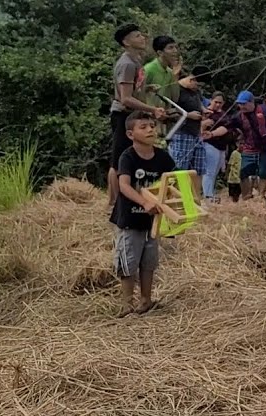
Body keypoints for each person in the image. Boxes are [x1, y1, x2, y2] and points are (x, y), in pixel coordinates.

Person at [109, 111, 174, 317]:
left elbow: (172, 182)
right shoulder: (127, 157)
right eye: (143, 127)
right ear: (130, 134)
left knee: (149, 261)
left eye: (152, 126)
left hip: (152, 220)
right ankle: (127, 303)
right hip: (130, 219)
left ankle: (146, 300)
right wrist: (144, 201)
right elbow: (124, 185)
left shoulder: (163, 157)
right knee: (129, 260)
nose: (150, 130)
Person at [108, 24, 165, 214]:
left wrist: (147, 89)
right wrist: (152, 109)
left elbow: (133, 89)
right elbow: (125, 98)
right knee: (118, 161)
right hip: (123, 115)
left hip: (131, 114)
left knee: (128, 156)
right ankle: (114, 204)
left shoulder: (137, 61)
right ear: (126, 42)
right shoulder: (126, 64)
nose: (143, 38)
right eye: (137, 36)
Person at [167, 68, 209, 181]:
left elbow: (199, 102)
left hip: (195, 132)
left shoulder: (195, 91)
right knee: (181, 167)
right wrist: (188, 115)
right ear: (191, 80)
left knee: (199, 168)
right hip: (181, 132)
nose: (198, 88)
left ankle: (195, 192)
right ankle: (179, 191)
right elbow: (168, 110)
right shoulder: (176, 90)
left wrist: (204, 110)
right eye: (198, 85)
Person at [234, 91, 266, 199]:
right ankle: (246, 196)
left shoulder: (264, 109)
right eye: (240, 104)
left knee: (264, 173)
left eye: (244, 104)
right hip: (249, 147)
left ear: (251, 102)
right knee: (243, 173)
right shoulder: (238, 116)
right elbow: (232, 128)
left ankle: (261, 196)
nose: (242, 106)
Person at [201, 92, 238, 203]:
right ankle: (207, 195)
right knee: (209, 171)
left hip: (221, 146)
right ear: (211, 100)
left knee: (215, 172)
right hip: (210, 144)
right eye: (215, 102)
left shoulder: (223, 114)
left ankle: (210, 194)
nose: (217, 105)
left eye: (220, 103)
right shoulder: (206, 113)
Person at [142, 35, 182, 108]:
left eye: (176, 47)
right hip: (149, 112)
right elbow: (137, 92)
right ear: (160, 52)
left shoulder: (170, 72)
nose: (175, 51)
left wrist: (175, 75)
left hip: (163, 112)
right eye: (170, 48)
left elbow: (175, 98)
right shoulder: (148, 69)